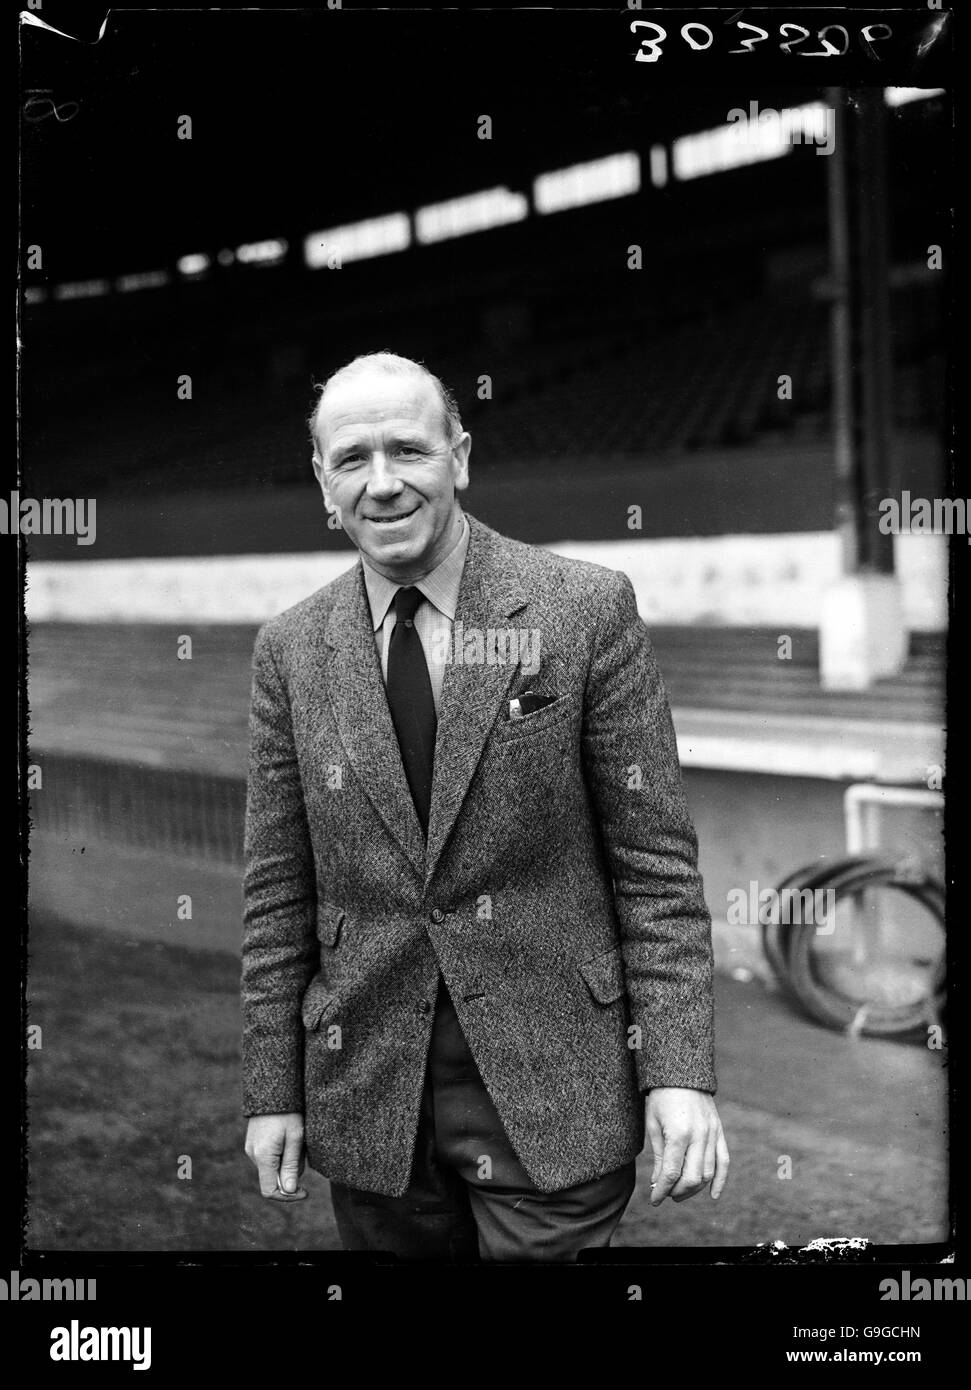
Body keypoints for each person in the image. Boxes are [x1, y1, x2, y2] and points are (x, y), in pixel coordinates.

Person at [242, 351, 729, 1261]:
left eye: (408, 451)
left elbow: (655, 870)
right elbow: (277, 896)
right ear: (322, 482)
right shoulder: (290, 651)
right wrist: (274, 1088)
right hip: (372, 1106)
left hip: (554, 1095)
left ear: (458, 457)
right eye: (352, 460)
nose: (381, 484)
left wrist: (677, 1074)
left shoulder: (584, 608)